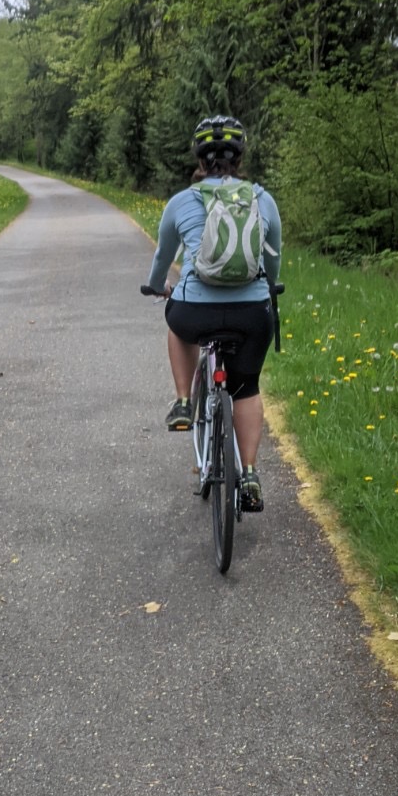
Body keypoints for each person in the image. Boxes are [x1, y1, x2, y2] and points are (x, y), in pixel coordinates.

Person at [144, 115, 282, 512]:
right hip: (252, 313)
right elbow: (273, 259)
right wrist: (268, 286)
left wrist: (158, 286)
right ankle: (251, 474)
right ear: (240, 158)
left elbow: (162, 258)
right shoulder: (262, 199)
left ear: (200, 160)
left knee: (176, 321)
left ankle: (184, 401)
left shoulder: (182, 201)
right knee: (247, 387)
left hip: (195, 311)